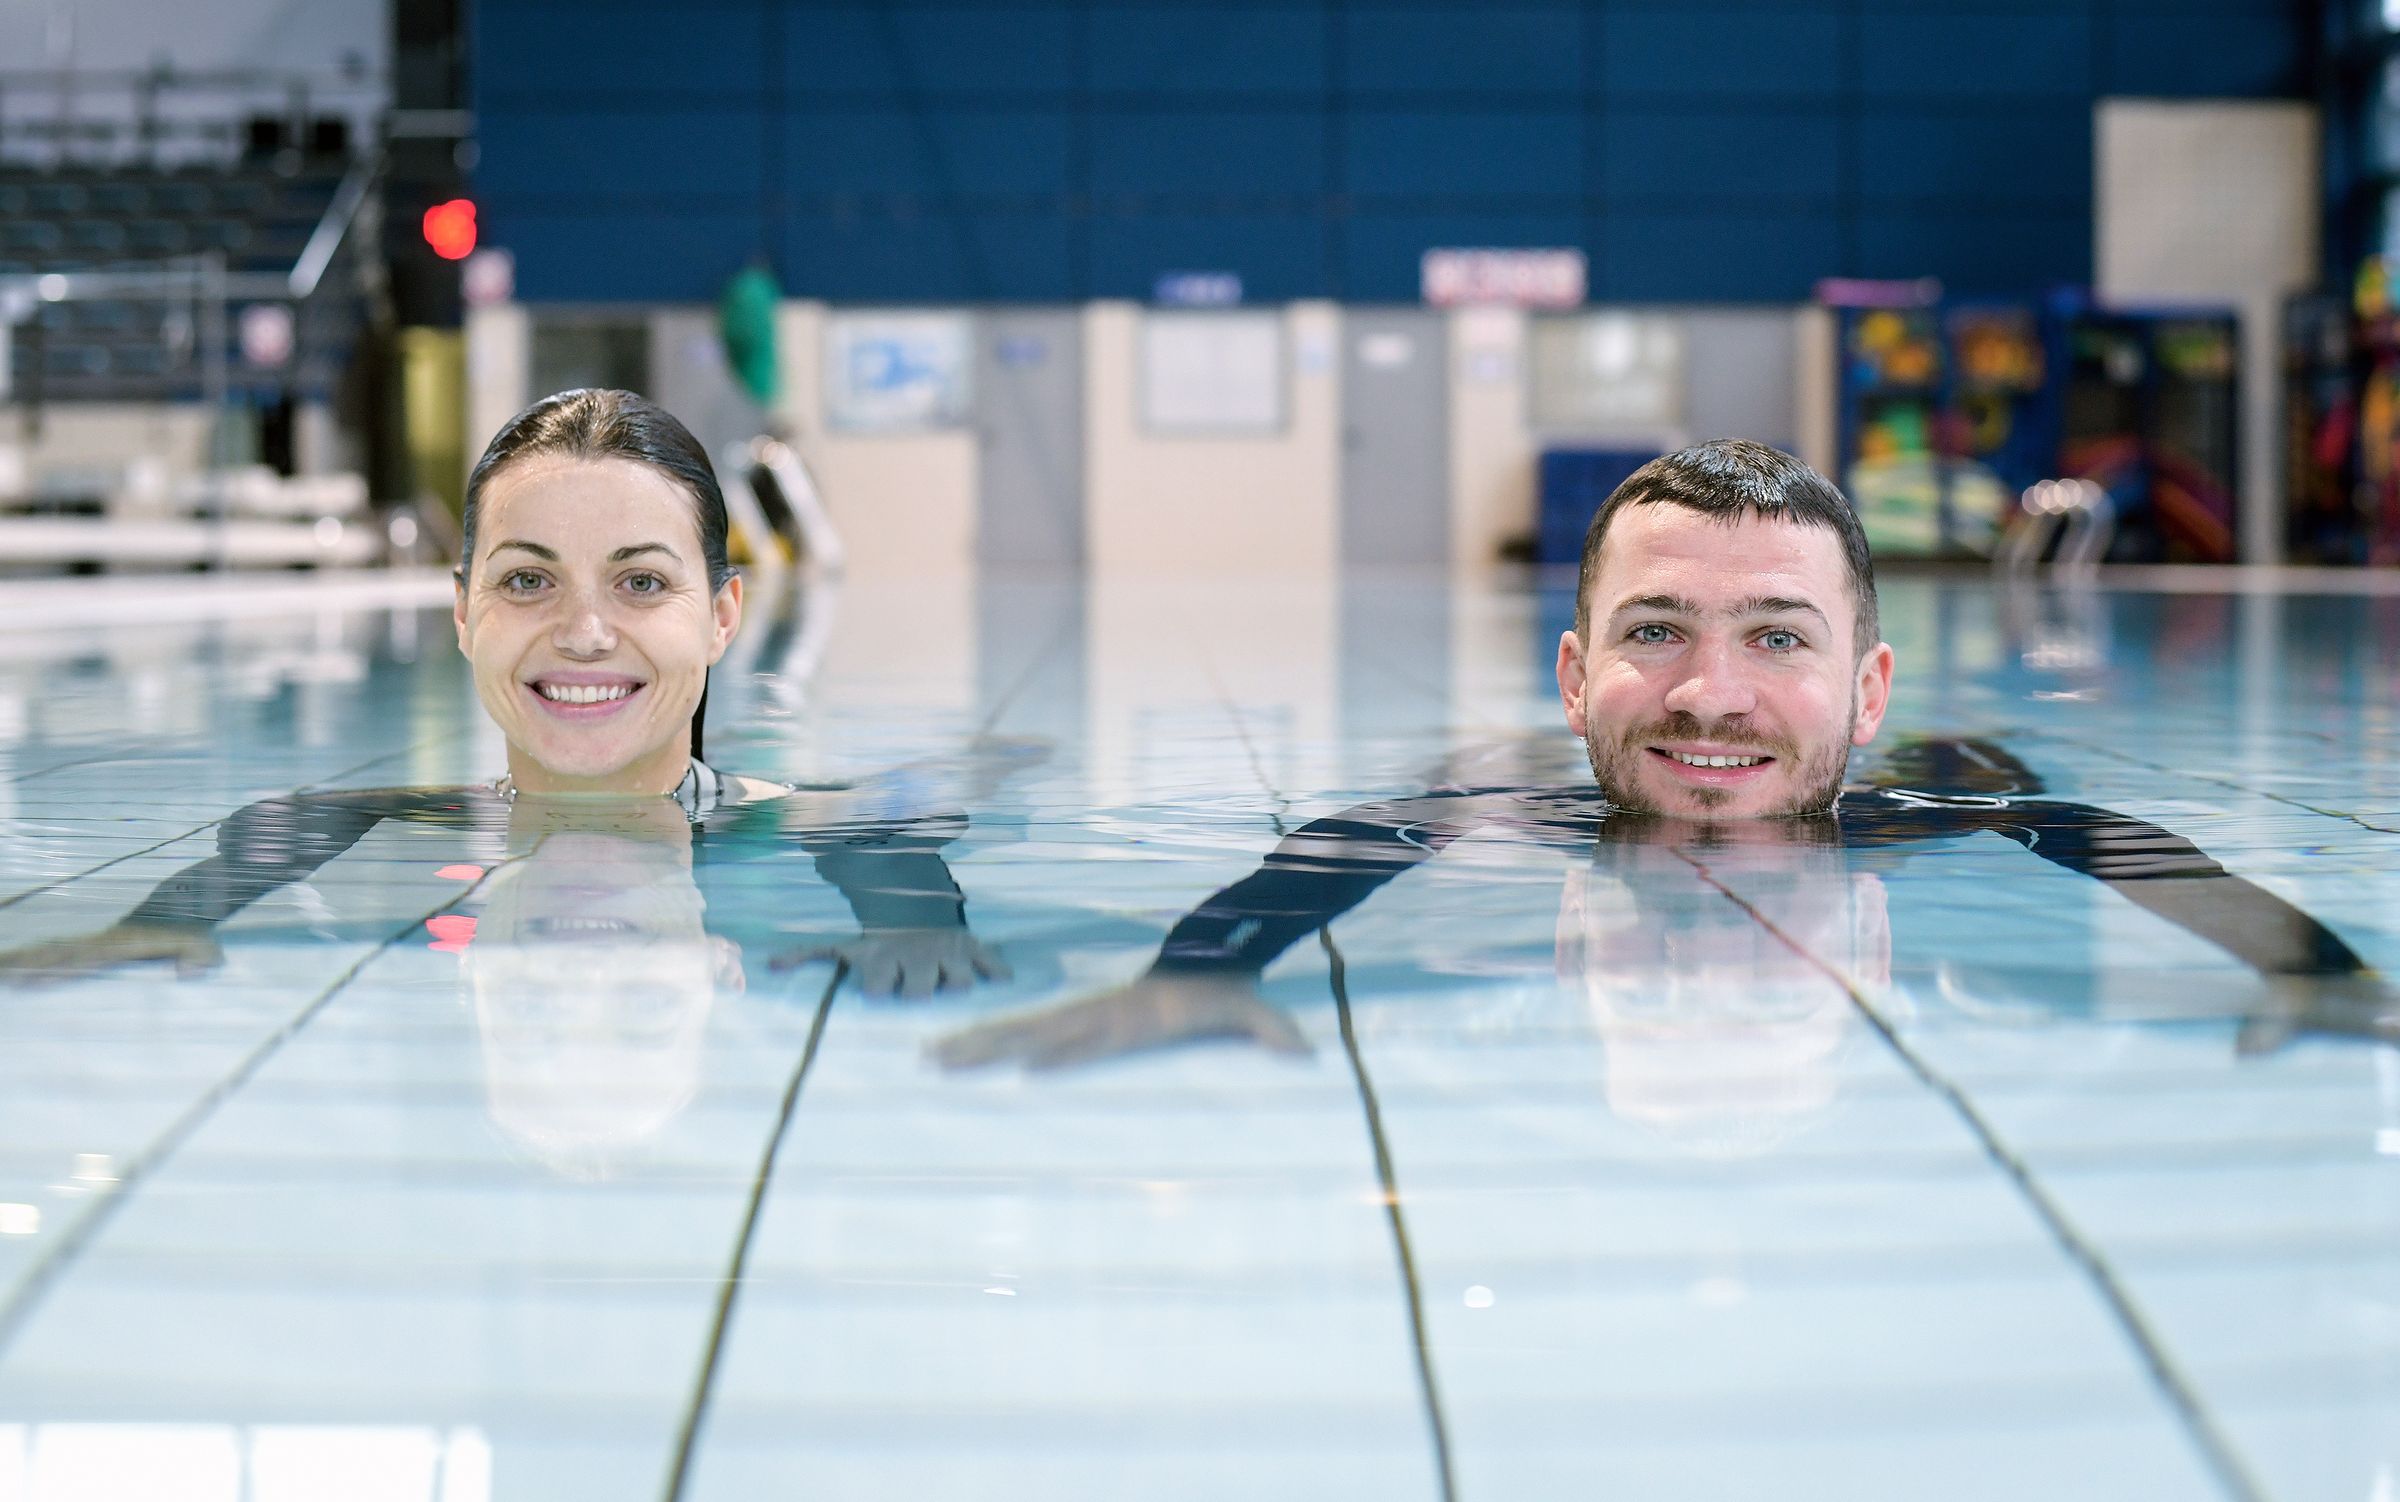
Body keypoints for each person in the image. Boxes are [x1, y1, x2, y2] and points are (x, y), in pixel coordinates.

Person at [936, 440, 2386, 1068]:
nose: (1709, 695)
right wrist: (1196, 976)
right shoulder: (1508, 794)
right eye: (1654, 632)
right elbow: (1351, 840)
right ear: (1572, 678)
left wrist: (2316, 970)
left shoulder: (1932, 800)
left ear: (1870, 689)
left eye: (1776, 636)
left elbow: (2104, 833)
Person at [0, 388, 1010, 998]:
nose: (581, 630)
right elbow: (297, 817)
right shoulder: (422, 814)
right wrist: (174, 912)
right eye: (528, 578)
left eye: (642, 580)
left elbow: (889, 829)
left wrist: (921, 922)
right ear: (462, 610)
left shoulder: (787, 820)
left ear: (722, 615)